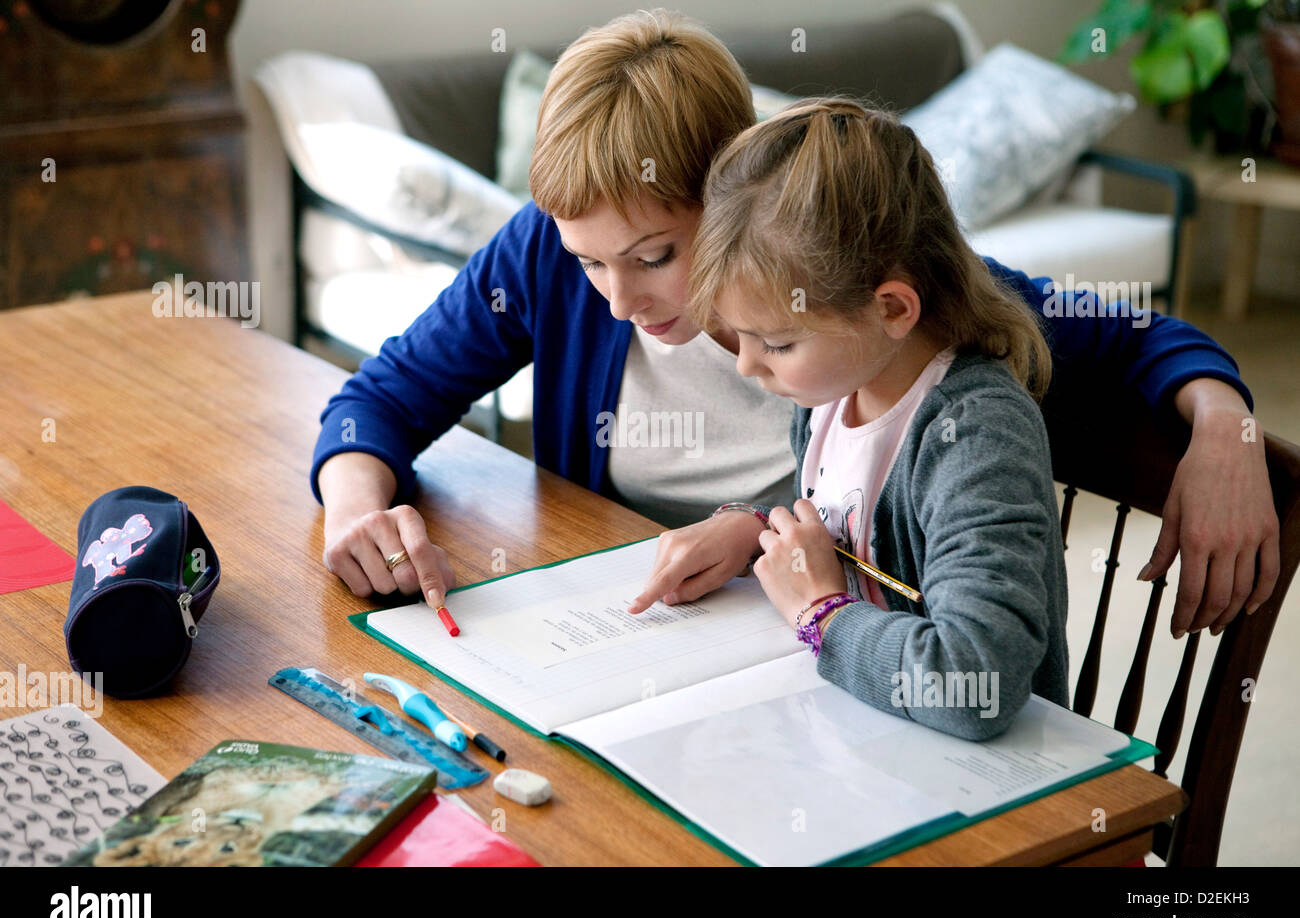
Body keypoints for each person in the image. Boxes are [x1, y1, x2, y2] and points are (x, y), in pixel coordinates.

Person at [314, 8, 1278, 645]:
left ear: (735, 198)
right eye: (586, 261)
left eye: (655, 256)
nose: (616, 300)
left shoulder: (847, 285)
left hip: (842, 661)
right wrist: (358, 506)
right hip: (644, 639)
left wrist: (1228, 429)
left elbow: (1134, 336)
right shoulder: (538, 258)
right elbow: (381, 397)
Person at [666, 96, 1065, 738]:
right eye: (738, 335)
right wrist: (754, 528)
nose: (746, 366)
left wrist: (822, 615)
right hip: (858, 735)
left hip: (976, 794)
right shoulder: (833, 394)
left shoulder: (976, 435)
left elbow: (976, 684)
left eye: (777, 342)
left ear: (892, 310)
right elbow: (844, 527)